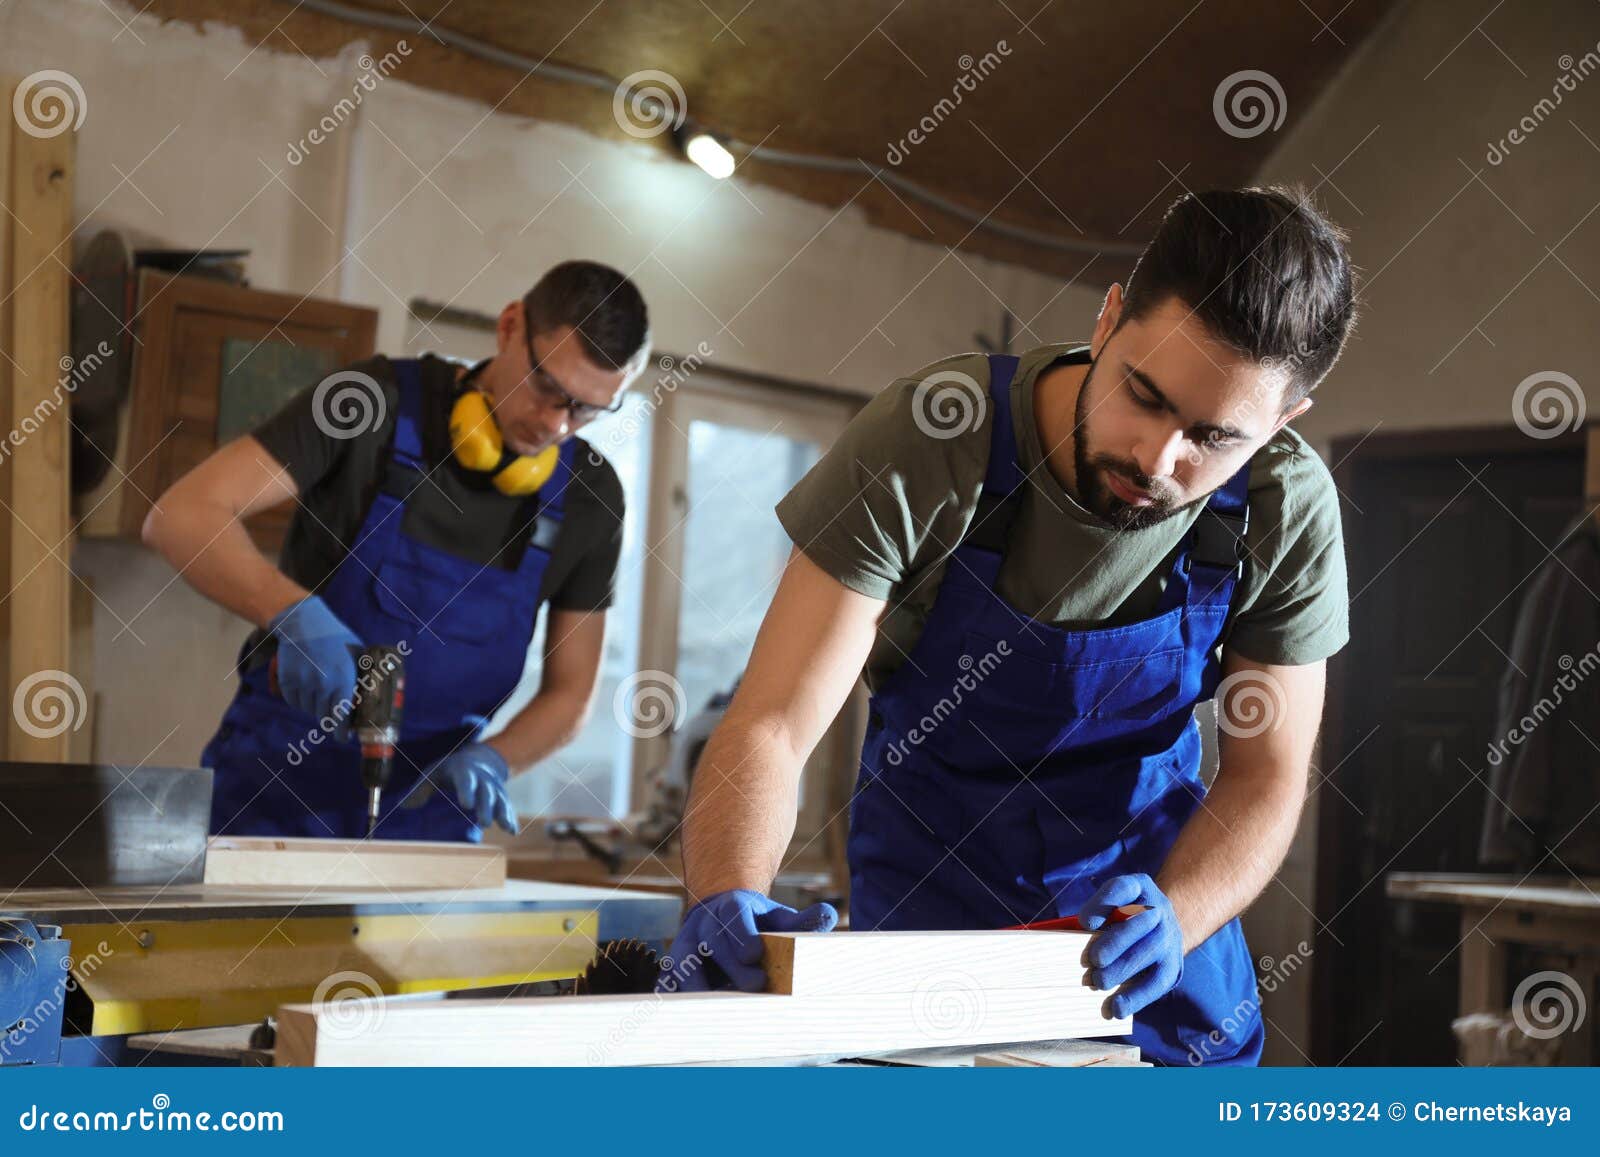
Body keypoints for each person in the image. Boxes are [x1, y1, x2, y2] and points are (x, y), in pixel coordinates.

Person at [661, 187, 1356, 1066]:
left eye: (1213, 437)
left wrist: (1178, 914)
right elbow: (772, 719)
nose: (1158, 459)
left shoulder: (1279, 505)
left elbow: (1267, 774)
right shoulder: (932, 439)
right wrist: (726, 888)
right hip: (928, 945)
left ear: (1282, 423)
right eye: (1143, 395)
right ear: (1108, 319)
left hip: (1147, 955)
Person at [144, 260, 649, 841]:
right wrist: (294, 614)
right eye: (546, 387)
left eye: (586, 409)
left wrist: (497, 759)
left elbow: (570, 693)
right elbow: (181, 517)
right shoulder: (372, 402)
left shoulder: (590, 497)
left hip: (430, 814)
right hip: (272, 797)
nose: (556, 426)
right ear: (510, 326)